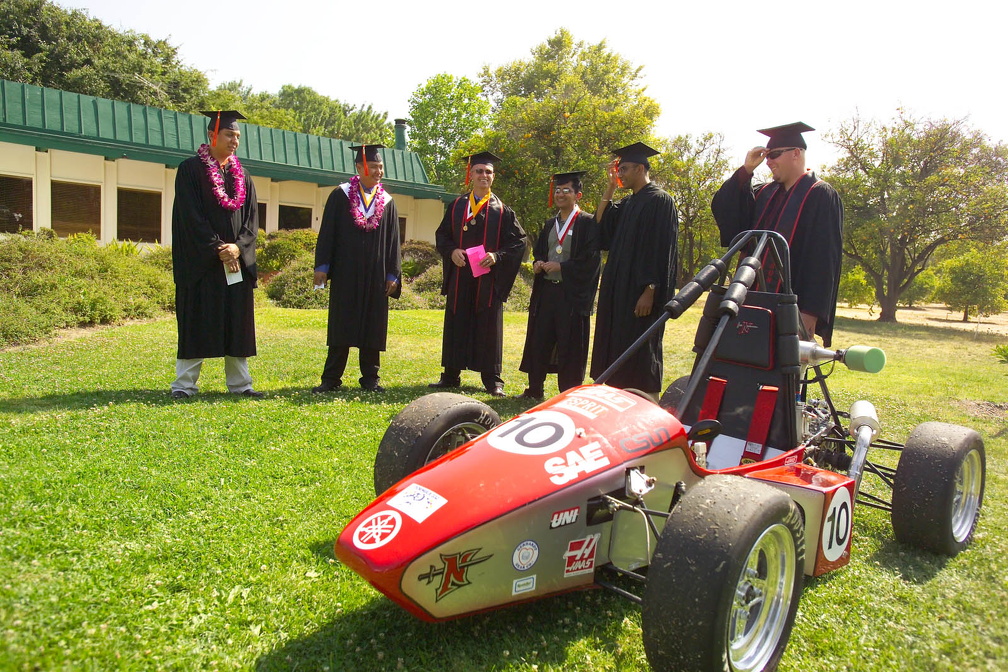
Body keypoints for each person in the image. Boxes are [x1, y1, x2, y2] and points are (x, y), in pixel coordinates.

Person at [711, 122, 844, 346]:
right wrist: (746, 171)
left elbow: (825, 258)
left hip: (792, 304)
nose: (769, 161)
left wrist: (811, 311)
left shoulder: (820, 195)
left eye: (774, 155)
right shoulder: (764, 193)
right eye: (767, 155)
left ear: (796, 153)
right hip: (749, 298)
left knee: (781, 372)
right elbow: (727, 211)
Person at [170, 110, 262, 399]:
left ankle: (240, 385)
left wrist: (237, 246)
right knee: (196, 320)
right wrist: (217, 247)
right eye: (229, 134)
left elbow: (252, 220)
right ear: (212, 135)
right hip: (202, 263)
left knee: (237, 322)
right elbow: (190, 215)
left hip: (235, 263)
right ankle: (184, 386)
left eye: (237, 136)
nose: (235, 140)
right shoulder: (189, 170)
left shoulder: (243, 175)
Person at [429, 151, 526, 396]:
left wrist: (497, 256)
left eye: (488, 172)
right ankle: (450, 375)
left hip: (487, 280)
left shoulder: (502, 211)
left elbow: (519, 242)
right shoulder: (457, 206)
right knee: (457, 321)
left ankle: (492, 380)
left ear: (493, 177)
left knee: (488, 327)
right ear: (470, 175)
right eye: (479, 171)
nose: (484, 175)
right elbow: (442, 235)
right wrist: (452, 251)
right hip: (461, 278)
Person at [589, 142, 679, 395]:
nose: (620, 175)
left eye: (624, 169)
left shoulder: (660, 201)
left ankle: (643, 396)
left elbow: (661, 249)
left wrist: (650, 289)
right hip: (619, 287)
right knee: (617, 341)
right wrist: (609, 187)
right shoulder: (629, 203)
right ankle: (617, 391)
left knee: (639, 343)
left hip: (641, 290)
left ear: (640, 168)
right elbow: (601, 228)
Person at [312, 144, 401, 393]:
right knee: (342, 323)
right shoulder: (340, 195)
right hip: (345, 272)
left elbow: (394, 241)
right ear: (359, 167)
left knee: (373, 325)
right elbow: (327, 232)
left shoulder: (387, 201)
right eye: (373, 166)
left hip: (376, 274)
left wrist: (393, 274)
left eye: (380, 167)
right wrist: (322, 267)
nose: (378, 171)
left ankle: (370, 379)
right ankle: (331, 378)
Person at [518, 170, 601, 399]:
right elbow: (540, 252)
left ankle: (569, 392)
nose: (561, 194)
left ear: (578, 195)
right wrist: (537, 263)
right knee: (540, 339)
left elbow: (591, 260)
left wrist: (563, 267)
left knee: (570, 343)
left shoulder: (587, 223)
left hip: (571, 295)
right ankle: (535, 388)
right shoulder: (549, 224)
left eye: (567, 190)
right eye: (557, 190)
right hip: (547, 293)